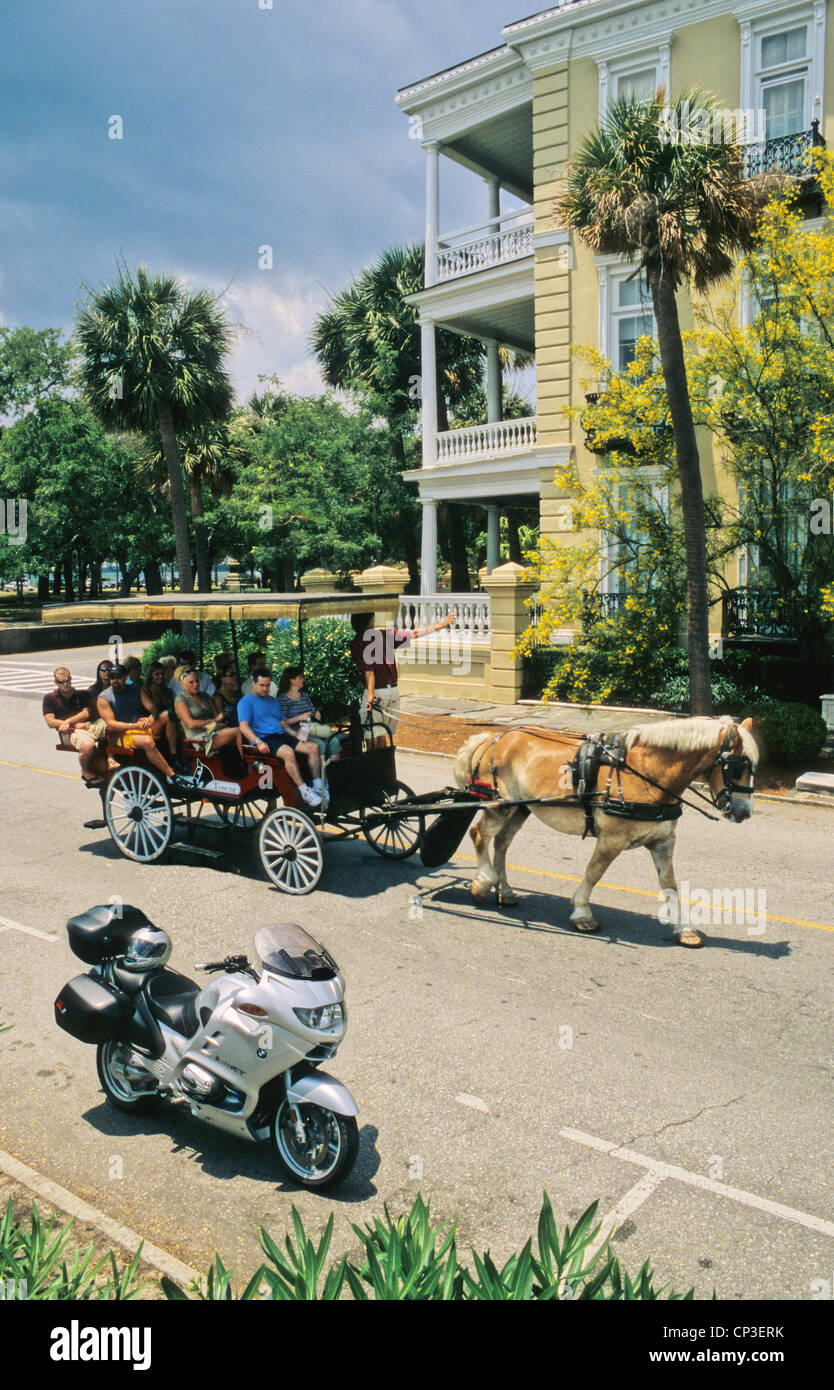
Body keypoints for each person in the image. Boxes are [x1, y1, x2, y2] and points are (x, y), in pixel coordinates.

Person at [349, 609, 456, 749]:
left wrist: (370, 696)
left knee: (371, 736)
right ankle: (384, 768)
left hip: (377, 692)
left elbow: (369, 671)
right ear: (371, 620)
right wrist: (440, 625)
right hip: (393, 691)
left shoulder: (358, 641)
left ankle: (373, 769)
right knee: (381, 734)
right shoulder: (384, 635)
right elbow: (414, 634)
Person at [97, 664, 196, 788]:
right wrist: (134, 726)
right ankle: (172, 776)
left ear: (126, 677)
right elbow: (111, 725)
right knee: (147, 741)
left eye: (119, 677)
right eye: (112, 677)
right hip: (122, 735)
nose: (115, 680)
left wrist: (151, 718)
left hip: (141, 727)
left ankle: (174, 758)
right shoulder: (104, 698)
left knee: (167, 715)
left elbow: (153, 708)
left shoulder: (135, 689)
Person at [237, 670, 322, 808]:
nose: (265, 689)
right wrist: (258, 742)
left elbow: (283, 724)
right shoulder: (245, 702)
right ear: (253, 684)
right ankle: (304, 791)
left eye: (268, 685)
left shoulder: (273, 701)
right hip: (264, 738)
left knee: (313, 747)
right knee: (288, 752)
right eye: (262, 685)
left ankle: (318, 786)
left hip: (280, 735)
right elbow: (243, 727)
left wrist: (295, 735)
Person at [42, 667, 114, 784]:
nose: (65, 684)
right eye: (61, 682)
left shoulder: (82, 694)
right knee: (88, 745)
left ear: (71, 678)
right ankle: (86, 771)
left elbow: (87, 712)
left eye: (67, 680)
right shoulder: (50, 698)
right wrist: (73, 725)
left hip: (88, 725)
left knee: (111, 724)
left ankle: (112, 758)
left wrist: (69, 721)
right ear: (56, 682)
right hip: (70, 732)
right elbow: (50, 721)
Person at [174, 669, 244, 760]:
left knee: (244, 730)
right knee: (238, 731)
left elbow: (216, 717)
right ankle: (245, 764)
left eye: (197, 681)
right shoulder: (181, 700)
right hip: (198, 736)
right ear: (183, 684)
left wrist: (221, 716)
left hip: (214, 730)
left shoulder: (205, 696)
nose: (195, 685)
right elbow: (191, 724)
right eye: (191, 682)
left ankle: (236, 764)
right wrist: (213, 720)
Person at [278, 666, 342, 763]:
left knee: (334, 741)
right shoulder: (283, 699)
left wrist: (316, 713)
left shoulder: (304, 695)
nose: (303, 679)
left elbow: (312, 710)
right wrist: (299, 717)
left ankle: (334, 772)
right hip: (297, 731)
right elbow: (283, 722)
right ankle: (323, 775)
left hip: (311, 727)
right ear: (292, 681)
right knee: (320, 744)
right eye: (300, 677)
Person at [143, 661, 179, 762]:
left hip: (169, 722)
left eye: (162, 674)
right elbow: (151, 710)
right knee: (168, 715)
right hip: (152, 724)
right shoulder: (145, 690)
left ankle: (185, 760)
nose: (160, 677)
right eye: (157, 674)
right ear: (151, 675)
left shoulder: (167, 691)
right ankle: (174, 757)